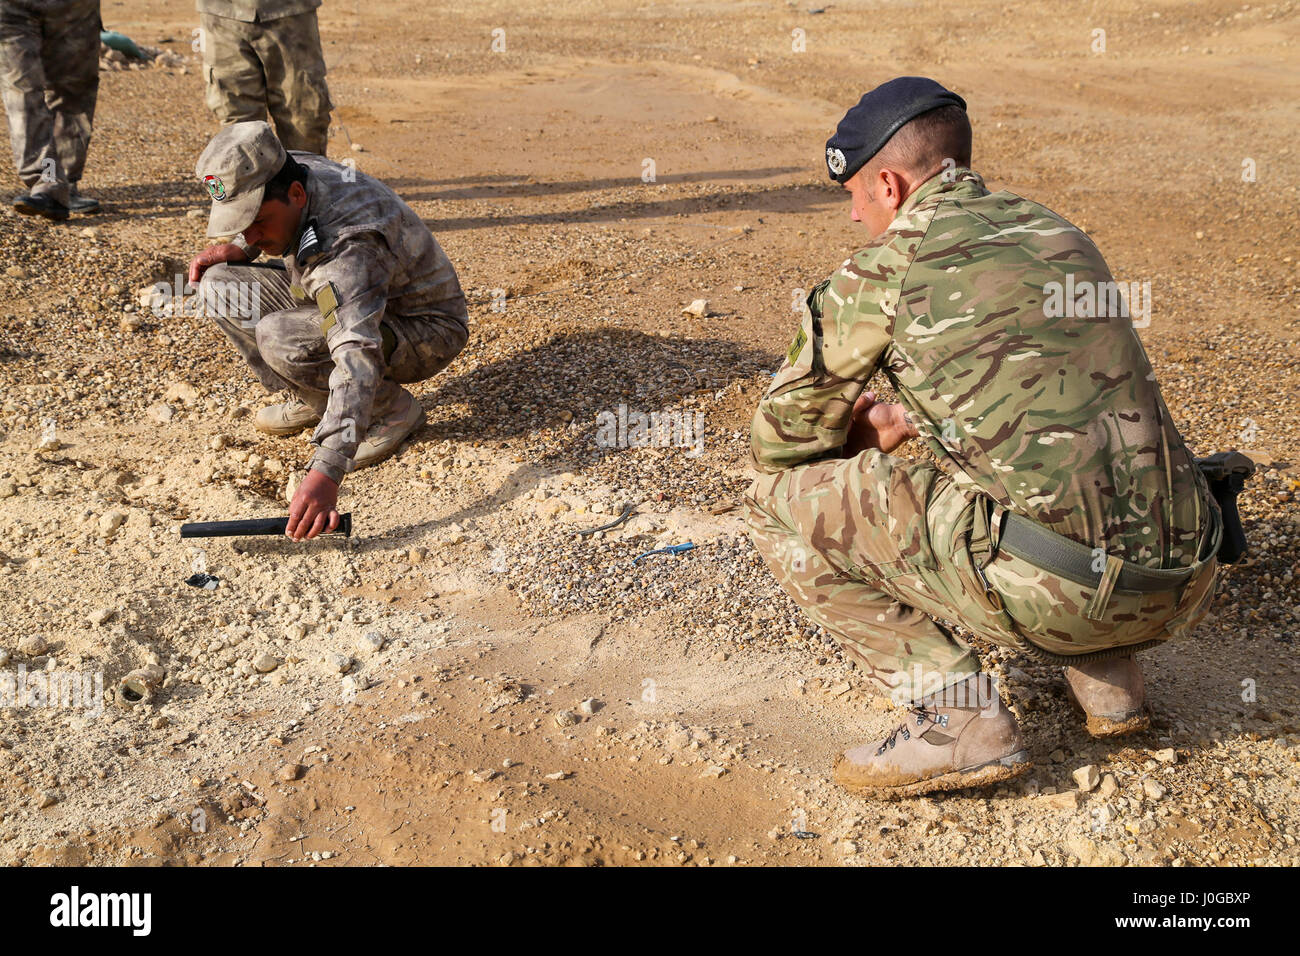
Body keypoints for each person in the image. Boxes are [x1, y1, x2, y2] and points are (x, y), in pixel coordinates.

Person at [745, 77, 1221, 799]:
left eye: (855, 197)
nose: (852, 216)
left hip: (1067, 596)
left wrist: (867, 435)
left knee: (776, 501)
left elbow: (780, 442)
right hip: (1188, 575)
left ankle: (958, 719)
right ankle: (1111, 683)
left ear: (889, 184)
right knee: (1053, 462)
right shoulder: (1056, 229)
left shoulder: (884, 268)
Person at [188, 121, 468, 540]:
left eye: (257, 221)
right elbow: (269, 222)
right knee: (219, 284)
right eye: (241, 221)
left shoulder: (347, 248)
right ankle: (315, 395)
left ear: (295, 196)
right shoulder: (282, 167)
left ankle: (390, 411)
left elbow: (357, 351)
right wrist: (244, 247)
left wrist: (327, 470)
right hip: (344, 295)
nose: (250, 233)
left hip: (420, 327)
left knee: (281, 337)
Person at [0, 0, 102, 220]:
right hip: (11, 8)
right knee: (22, 89)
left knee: (73, 89)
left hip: (75, 9)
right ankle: (48, 180)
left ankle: (64, 179)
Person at [197, 0, 331, 155]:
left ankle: (303, 176)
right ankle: (251, 178)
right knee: (239, 127)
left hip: (290, 13)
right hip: (222, 15)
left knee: (303, 118)